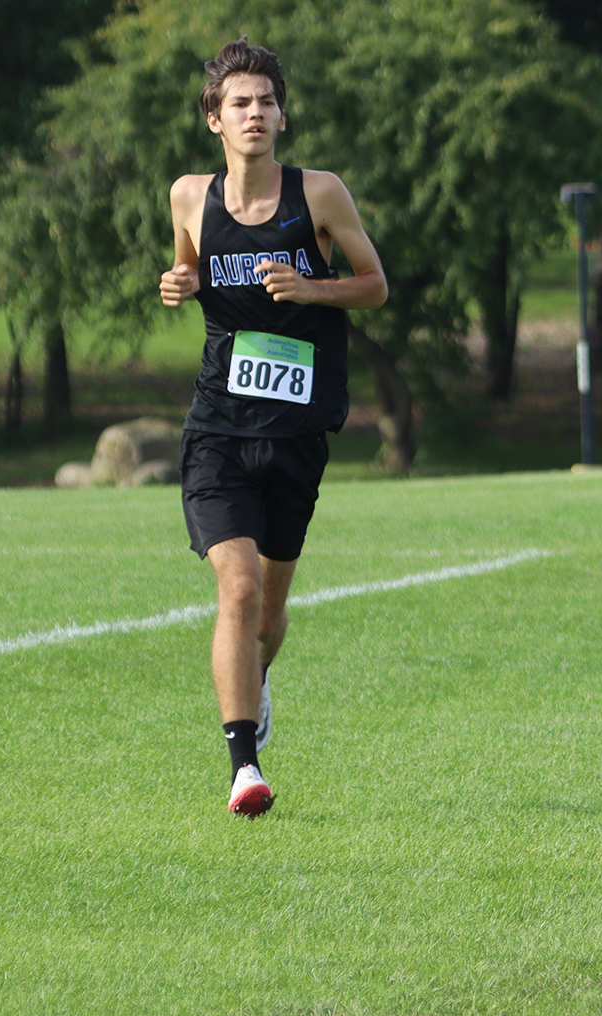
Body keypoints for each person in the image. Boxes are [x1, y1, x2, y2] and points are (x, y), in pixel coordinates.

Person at [157, 37, 387, 817]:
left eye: (265, 101)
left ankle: (257, 687)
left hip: (297, 432)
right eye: (239, 103)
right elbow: (188, 264)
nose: (254, 113)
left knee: (270, 612)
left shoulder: (319, 195)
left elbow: (375, 286)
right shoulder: (190, 195)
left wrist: (312, 290)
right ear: (214, 120)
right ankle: (243, 765)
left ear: (282, 115)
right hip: (218, 425)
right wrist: (180, 283)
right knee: (240, 585)